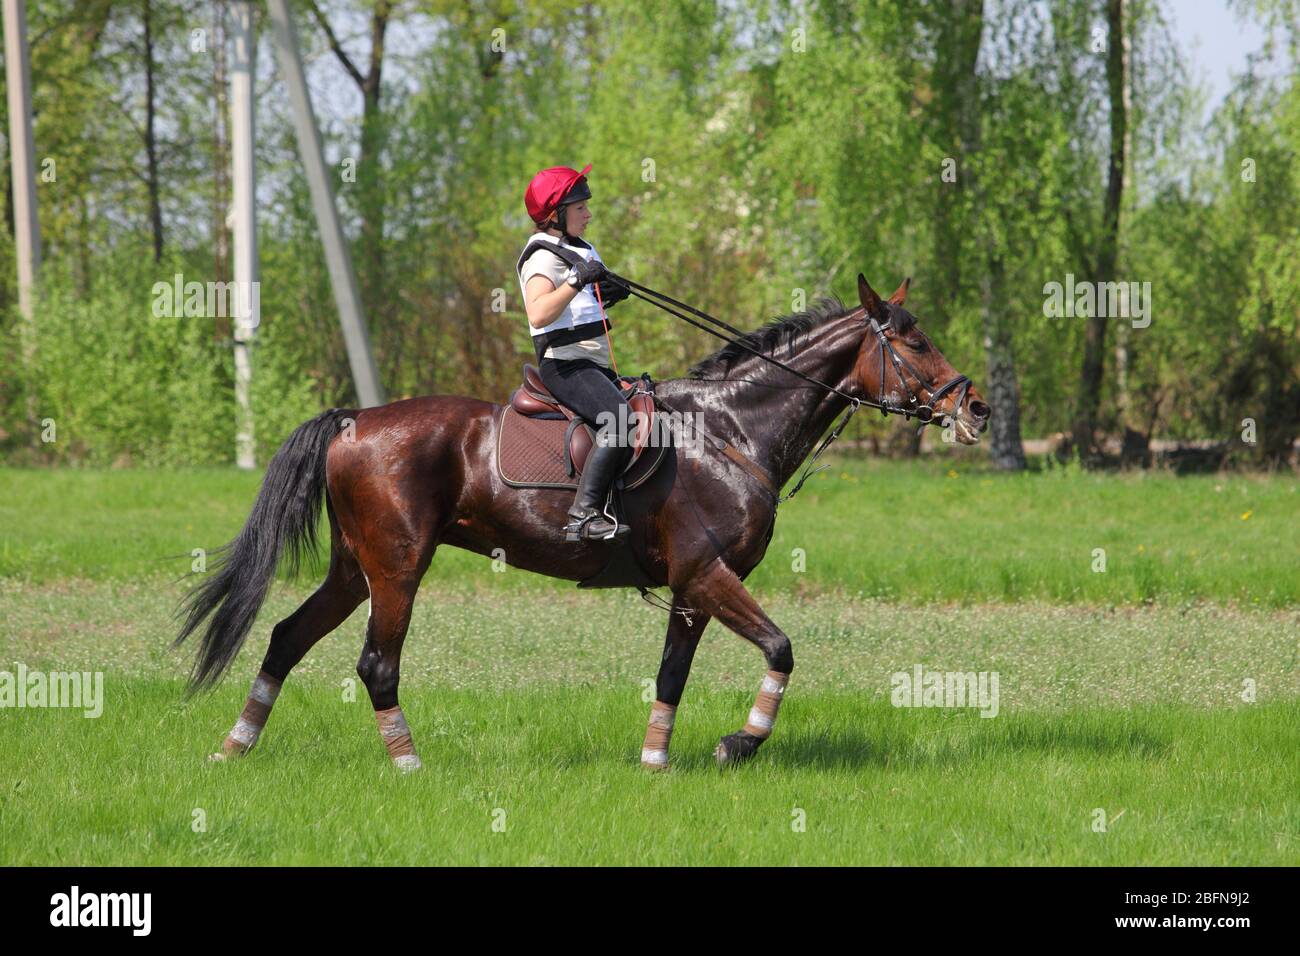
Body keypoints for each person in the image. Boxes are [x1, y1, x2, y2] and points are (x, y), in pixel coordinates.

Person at [518, 164, 634, 542]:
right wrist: (576, 280)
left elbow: (579, 307)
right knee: (619, 420)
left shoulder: (578, 249)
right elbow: (539, 312)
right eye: (580, 208)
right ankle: (583, 516)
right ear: (555, 215)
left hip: (593, 364)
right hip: (565, 366)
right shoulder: (541, 258)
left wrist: (609, 291)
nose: (589, 214)